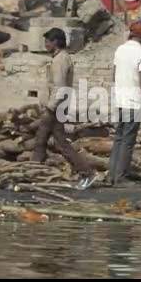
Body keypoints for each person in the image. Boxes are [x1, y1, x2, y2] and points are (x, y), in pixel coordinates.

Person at [32, 28, 98, 190]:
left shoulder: (60, 60)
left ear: (56, 42)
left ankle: (87, 173)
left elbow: (60, 87)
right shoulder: (59, 58)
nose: (46, 44)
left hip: (55, 107)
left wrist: (51, 107)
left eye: (48, 41)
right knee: (46, 141)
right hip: (56, 106)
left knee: (51, 142)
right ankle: (32, 174)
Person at [108, 19, 141, 186]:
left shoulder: (120, 49)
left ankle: (111, 175)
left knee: (119, 138)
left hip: (119, 101)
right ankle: (120, 177)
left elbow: (113, 75)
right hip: (133, 102)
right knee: (128, 141)